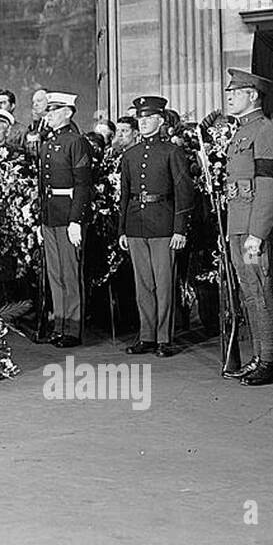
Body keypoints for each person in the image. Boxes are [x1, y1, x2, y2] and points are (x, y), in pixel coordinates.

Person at [220, 69, 273, 386]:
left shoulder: (266, 131)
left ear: (253, 95)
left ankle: (269, 361)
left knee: (260, 289)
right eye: (229, 91)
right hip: (238, 225)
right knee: (249, 291)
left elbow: (270, 188)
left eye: (237, 91)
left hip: (252, 231)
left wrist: (257, 236)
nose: (230, 96)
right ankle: (259, 358)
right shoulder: (241, 132)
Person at [118, 97, 196, 358]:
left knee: (164, 285)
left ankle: (164, 338)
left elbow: (184, 193)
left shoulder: (172, 152)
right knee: (143, 285)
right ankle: (147, 336)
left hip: (164, 225)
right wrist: (122, 230)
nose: (143, 122)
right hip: (136, 225)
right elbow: (125, 195)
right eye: (140, 118)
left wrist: (180, 229)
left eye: (149, 117)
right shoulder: (130, 155)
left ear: (161, 120)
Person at [35, 92, 93, 348]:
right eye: (48, 110)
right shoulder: (47, 143)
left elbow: (83, 184)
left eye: (54, 110)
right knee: (55, 273)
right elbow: (41, 186)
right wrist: (40, 220)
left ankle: (72, 328)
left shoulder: (76, 141)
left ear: (68, 112)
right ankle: (59, 324)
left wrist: (76, 220)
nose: (48, 114)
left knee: (70, 273)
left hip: (68, 213)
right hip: (50, 214)